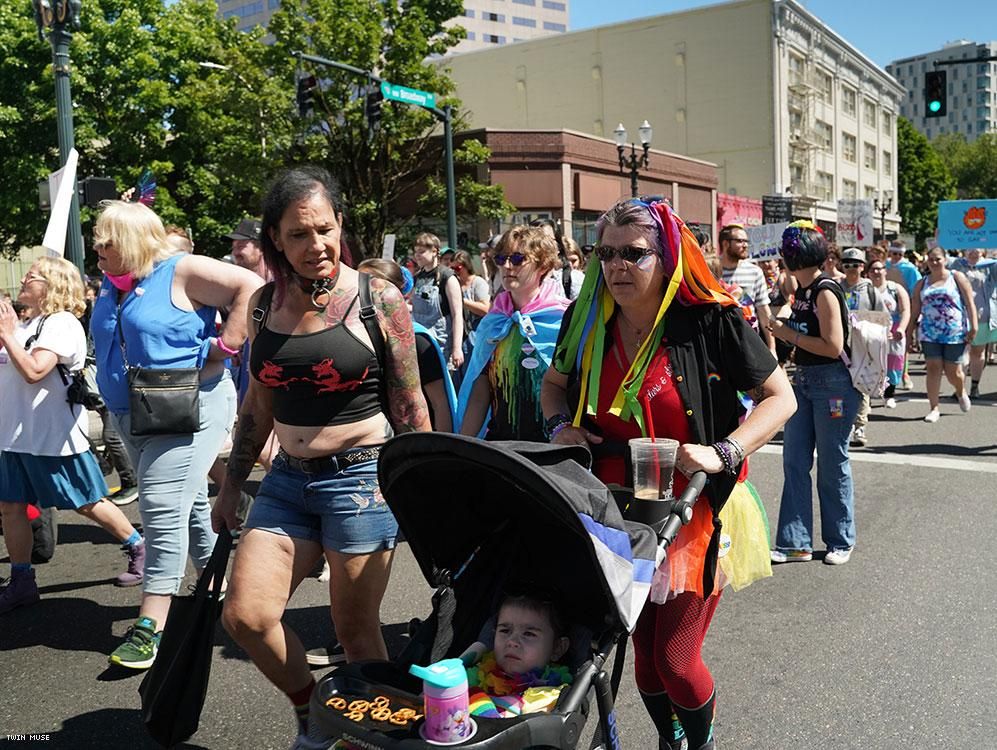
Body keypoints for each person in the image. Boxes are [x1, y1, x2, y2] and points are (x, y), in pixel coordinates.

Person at [542, 199, 795, 750]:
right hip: (610, 510)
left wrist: (723, 452)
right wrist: (561, 425)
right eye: (605, 253)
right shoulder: (585, 319)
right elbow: (553, 386)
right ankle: (669, 739)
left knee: (676, 662)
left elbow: (780, 399)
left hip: (694, 508)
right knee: (644, 667)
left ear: (668, 255)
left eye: (634, 254)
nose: (616, 266)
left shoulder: (710, 318)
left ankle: (699, 743)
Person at [212, 166, 431, 749]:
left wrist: (427, 494)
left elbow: (410, 405)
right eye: (300, 235)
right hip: (287, 480)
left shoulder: (377, 297)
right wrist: (232, 487)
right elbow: (258, 407)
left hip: (363, 481)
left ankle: (379, 737)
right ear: (276, 241)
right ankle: (314, 710)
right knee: (247, 616)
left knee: (356, 634)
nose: (317, 246)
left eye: (325, 229)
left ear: (340, 225)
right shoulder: (261, 305)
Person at [90, 201, 261, 668]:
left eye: (107, 240)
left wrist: (226, 346)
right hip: (135, 413)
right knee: (185, 503)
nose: (97, 248)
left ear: (132, 241)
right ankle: (217, 585)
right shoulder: (115, 283)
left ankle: (151, 624)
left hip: (193, 407)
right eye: (97, 238)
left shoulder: (181, 269)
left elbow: (252, 285)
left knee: (162, 505)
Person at [0, 257, 147, 616]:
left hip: (51, 436)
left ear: (51, 286)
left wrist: (5, 333)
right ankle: (21, 580)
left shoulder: (61, 323)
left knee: (85, 500)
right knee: (10, 507)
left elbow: (35, 370)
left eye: (32, 277)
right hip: (13, 435)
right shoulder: (25, 324)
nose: (23, 281)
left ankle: (138, 546)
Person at [768, 221, 860, 566]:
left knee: (832, 464)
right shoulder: (804, 290)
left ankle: (840, 540)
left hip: (832, 382)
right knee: (794, 460)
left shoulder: (824, 290)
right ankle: (795, 542)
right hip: (805, 380)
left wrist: (786, 334)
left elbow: (833, 345)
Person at [457, 226, 569, 442]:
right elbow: (481, 391)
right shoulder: (494, 321)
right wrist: (463, 445)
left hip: (553, 449)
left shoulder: (563, 319)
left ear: (543, 265)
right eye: (501, 258)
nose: (507, 266)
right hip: (502, 447)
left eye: (518, 259)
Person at [358, 258, 457, 431]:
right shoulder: (359, 336)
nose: (357, 291)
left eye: (366, 285)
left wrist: (441, 452)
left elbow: (441, 404)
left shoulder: (418, 340)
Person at [464, 593, 573, 719]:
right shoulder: (478, 673)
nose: (512, 642)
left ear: (557, 649)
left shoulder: (550, 697)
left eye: (529, 634)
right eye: (505, 631)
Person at [907, 247, 978, 422]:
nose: (934, 262)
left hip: (954, 332)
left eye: (938, 259)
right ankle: (934, 407)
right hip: (929, 333)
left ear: (945, 260)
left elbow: (969, 303)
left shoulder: (956, 278)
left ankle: (960, 391)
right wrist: (909, 333)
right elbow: (915, 310)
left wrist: (974, 325)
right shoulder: (922, 283)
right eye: (931, 259)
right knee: (933, 367)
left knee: (953, 371)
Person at [839, 247, 888, 447]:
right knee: (838, 386)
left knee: (862, 385)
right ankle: (842, 423)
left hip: (863, 345)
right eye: (847, 264)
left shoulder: (870, 290)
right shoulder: (835, 287)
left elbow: (883, 317)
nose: (851, 268)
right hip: (839, 345)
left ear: (862, 267)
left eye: (856, 264)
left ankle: (860, 425)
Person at [411, 232, 465, 372]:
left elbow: (457, 315)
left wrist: (457, 348)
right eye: (415, 252)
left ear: (435, 251)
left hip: (442, 345)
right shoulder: (418, 277)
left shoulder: (448, 277)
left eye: (422, 251)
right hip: (420, 342)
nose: (417, 255)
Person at [717, 224, 774, 351]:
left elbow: (764, 312)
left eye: (746, 241)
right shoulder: (712, 269)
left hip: (749, 341)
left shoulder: (755, 272)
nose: (745, 245)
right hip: (720, 342)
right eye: (740, 241)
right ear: (726, 244)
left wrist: (772, 348)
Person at [948, 249, 997, 399]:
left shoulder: (992, 266)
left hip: (982, 315)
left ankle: (974, 386)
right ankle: (959, 387)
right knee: (960, 353)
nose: (974, 251)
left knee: (977, 352)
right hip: (960, 316)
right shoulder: (956, 264)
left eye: (977, 248)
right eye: (970, 248)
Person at [867, 257, 910, 410]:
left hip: (893, 331)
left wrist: (901, 329)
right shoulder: (865, 289)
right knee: (871, 365)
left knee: (893, 365)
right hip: (871, 332)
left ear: (885, 271)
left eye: (879, 268)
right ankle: (868, 397)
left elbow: (905, 310)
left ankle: (889, 394)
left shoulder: (895, 288)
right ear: (868, 273)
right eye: (873, 270)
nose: (876, 272)